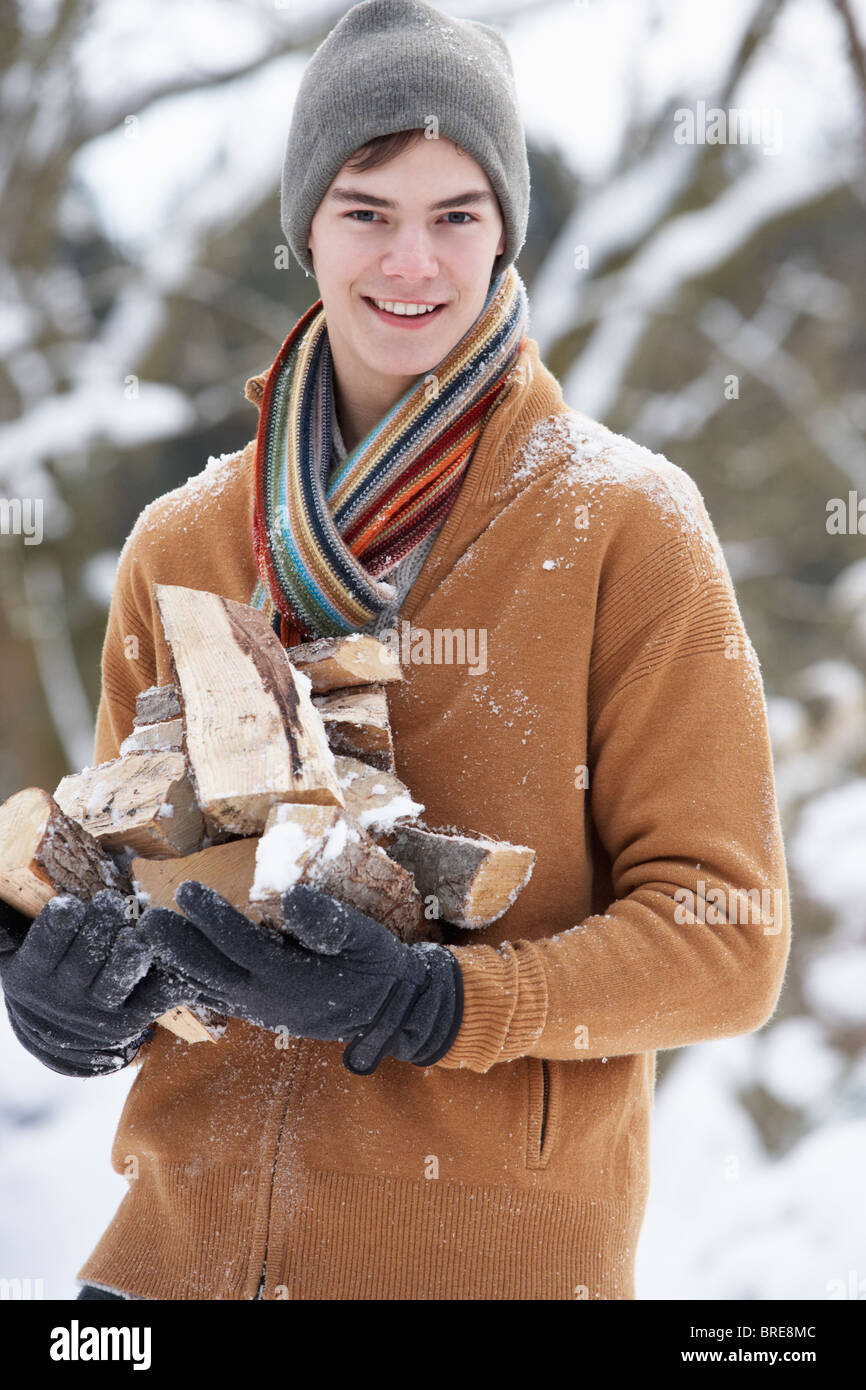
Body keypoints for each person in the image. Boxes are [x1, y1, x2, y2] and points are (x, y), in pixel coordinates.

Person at [0, 0, 791, 1301]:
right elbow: (132, 882)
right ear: (304, 225)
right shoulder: (183, 541)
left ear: (506, 231)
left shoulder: (624, 527)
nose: (410, 260)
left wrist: (435, 1001)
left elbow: (727, 938)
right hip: (168, 1273)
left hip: (478, 1271)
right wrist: (72, 1003)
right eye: (366, 209)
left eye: (456, 213)